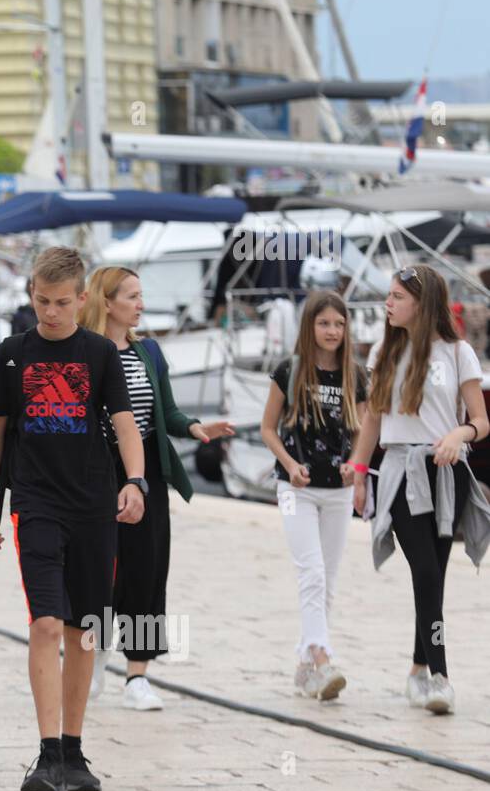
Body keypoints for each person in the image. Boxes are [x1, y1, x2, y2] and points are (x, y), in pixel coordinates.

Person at [0, 246, 146, 791]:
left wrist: (135, 481)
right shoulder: (11, 354)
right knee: (46, 624)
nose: (50, 312)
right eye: (41, 301)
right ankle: (47, 753)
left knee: (86, 630)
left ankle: (74, 749)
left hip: (95, 506)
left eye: (61, 302)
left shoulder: (99, 353)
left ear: (80, 299)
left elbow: (123, 424)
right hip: (36, 503)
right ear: (31, 295)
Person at [80, 267, 234, 709]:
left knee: (147, 572)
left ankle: (137, 674)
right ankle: (92, 657)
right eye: (132, 296)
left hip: (146, 471)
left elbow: (166, 413)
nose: (141, 304)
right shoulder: (85, 351)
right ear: (107, 302)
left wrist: (196, 427)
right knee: (97, 570)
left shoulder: (149, 352)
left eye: (141, 295)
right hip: (96, 471)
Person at [347, 265, 490, 715]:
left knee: (434, 580)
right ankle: (441, 677)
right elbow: (372, 418)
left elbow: (481, 421)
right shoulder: (383, 354)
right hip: (401, 473)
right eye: (388, 296)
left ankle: (415, 670)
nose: (387, 304)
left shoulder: (457, 352)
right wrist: (358, 470)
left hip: (446, 473)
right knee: (426, 573)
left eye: (396, 297)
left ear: (422, 303)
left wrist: (456, 435)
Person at [258, 289, 365, 701]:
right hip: (293, 489)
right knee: (312, 571)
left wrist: (354, 466)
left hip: (337, 490)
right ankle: (321, 656)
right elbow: (268, 428)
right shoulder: (290, 370)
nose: (332, 331)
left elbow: (363, 432)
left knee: (329, 580)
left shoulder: (356, 375)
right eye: (324, 323)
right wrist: (288, 464)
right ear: (310, 326)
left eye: (339, 324)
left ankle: (304, 665)